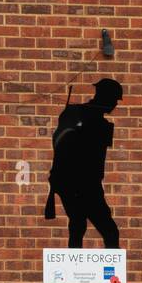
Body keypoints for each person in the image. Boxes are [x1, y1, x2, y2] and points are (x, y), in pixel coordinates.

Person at [45, 78, 123, 247]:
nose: (115, 104)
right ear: (106, 97)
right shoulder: (80, 116)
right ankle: (110, 273)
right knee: (108, 230)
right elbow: (61, 144)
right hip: (80, 184)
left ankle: (78, 269)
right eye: (114, 99)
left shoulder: (90, 119)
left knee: (78, 226)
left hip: (80, 184)